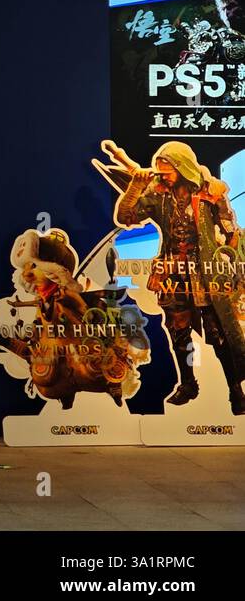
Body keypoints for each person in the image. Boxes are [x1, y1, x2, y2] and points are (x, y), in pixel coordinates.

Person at [115, 141, 245, 413]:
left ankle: (235, 390)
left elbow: (231, 231)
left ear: (182, 167)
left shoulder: (210, 192)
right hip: (172, 274)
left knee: (219, 334)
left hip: (205, 276)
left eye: (167, 171)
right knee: (179, 334)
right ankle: (188, 383)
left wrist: (226, 265)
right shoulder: (159, 195)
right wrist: (136, 186)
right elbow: (125, 215)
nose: (162, 176)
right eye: (160, 172)